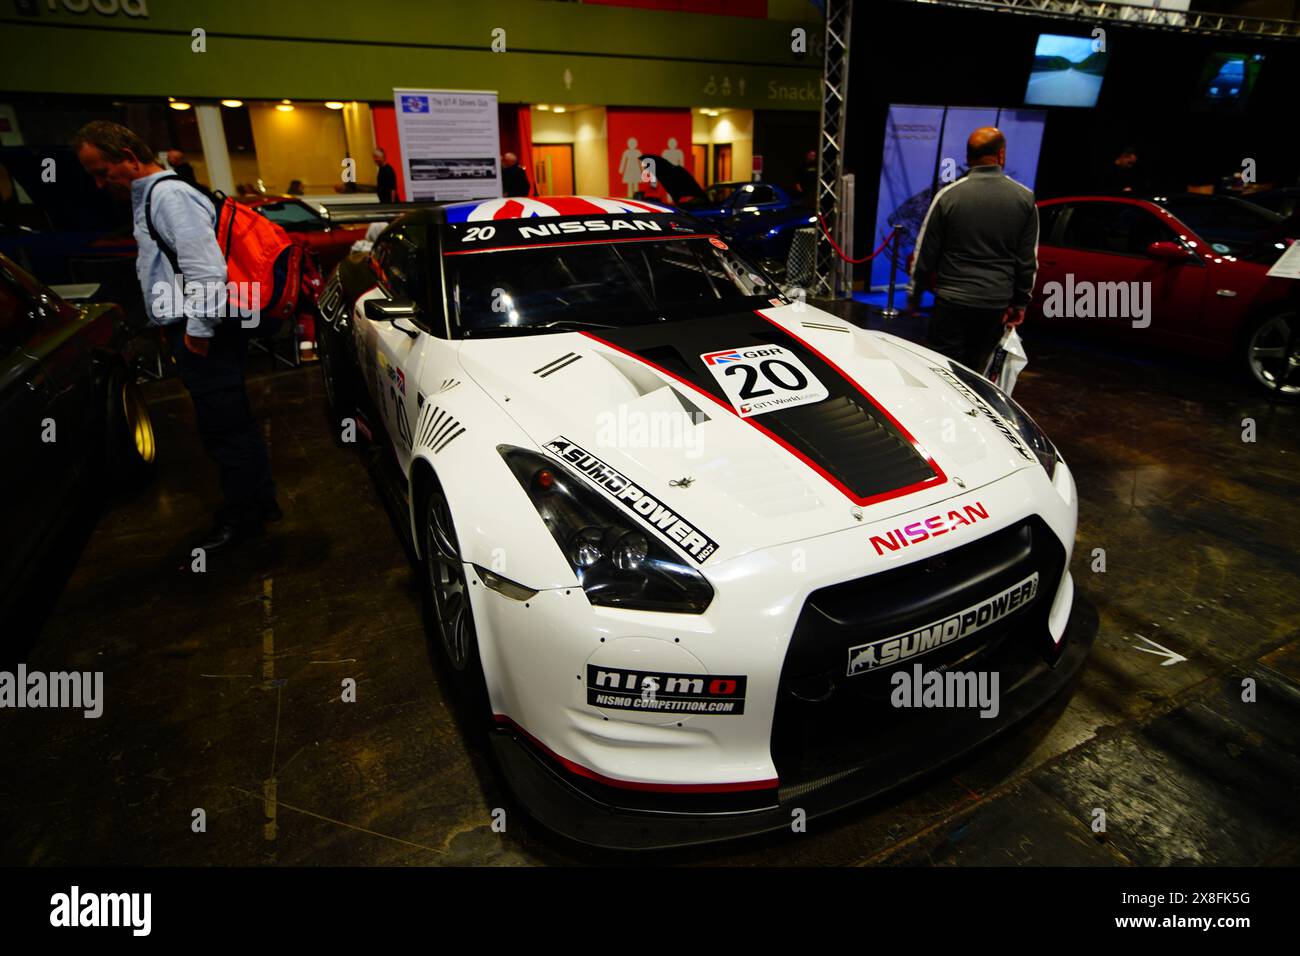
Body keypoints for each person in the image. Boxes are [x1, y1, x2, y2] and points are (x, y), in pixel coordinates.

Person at [74, 120, 279, 551]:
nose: (98, 184)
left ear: (129, 158)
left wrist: (198, 332)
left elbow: (206, 271)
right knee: (229, 422)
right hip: (194, 326)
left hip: (204, 330)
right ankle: (257, 505)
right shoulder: (155, 196)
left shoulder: (168, 196)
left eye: (102, 171)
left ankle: (246, 519)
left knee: (224, 428)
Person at [908, 127, 1038, 373]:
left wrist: (915, 295)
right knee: (977, 373)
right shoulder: (1024, 198)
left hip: (951, 301)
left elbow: (925, 252)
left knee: (941, 370)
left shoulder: (948, 196)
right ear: (1001, 155)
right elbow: (1027, 260)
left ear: (968, 157)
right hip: (994, 303)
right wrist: (1020, 303)